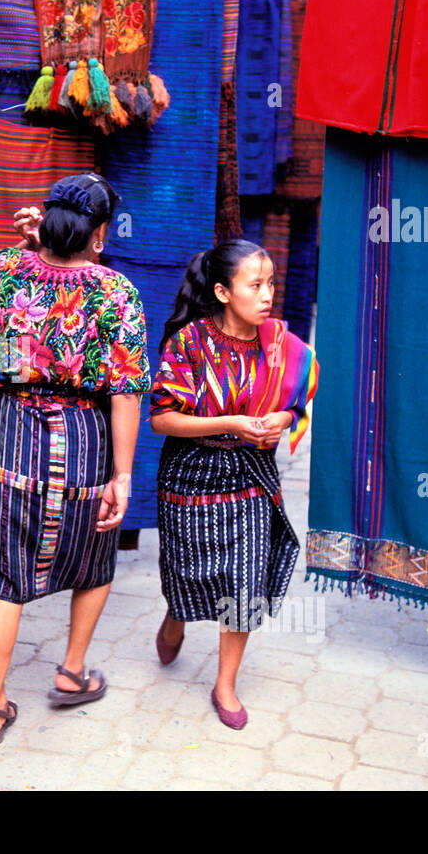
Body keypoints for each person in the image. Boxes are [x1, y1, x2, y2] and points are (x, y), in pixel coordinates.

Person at [0, 173, 151, 746]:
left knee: (7, 574)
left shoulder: (3, 268)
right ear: (99, 233)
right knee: (95, 554)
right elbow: (125, 391)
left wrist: (30, 246)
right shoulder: (117, 292)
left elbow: (21, 308)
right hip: (81, 430)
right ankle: (72, 672)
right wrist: (123, 476)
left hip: (11, 426)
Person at [147, 241, 318, 729]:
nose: (267, 295)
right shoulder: (189, 344)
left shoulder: (281, 344)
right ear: (223, 291)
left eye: (270, 284)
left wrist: (280, 418)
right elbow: (163, 420)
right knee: (187, 573)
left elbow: (301, 394)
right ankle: (177, 613)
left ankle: (224, 684)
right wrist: (233, 422)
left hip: (250, 474)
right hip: (191, 475)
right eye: (255, 285)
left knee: (244, 582)